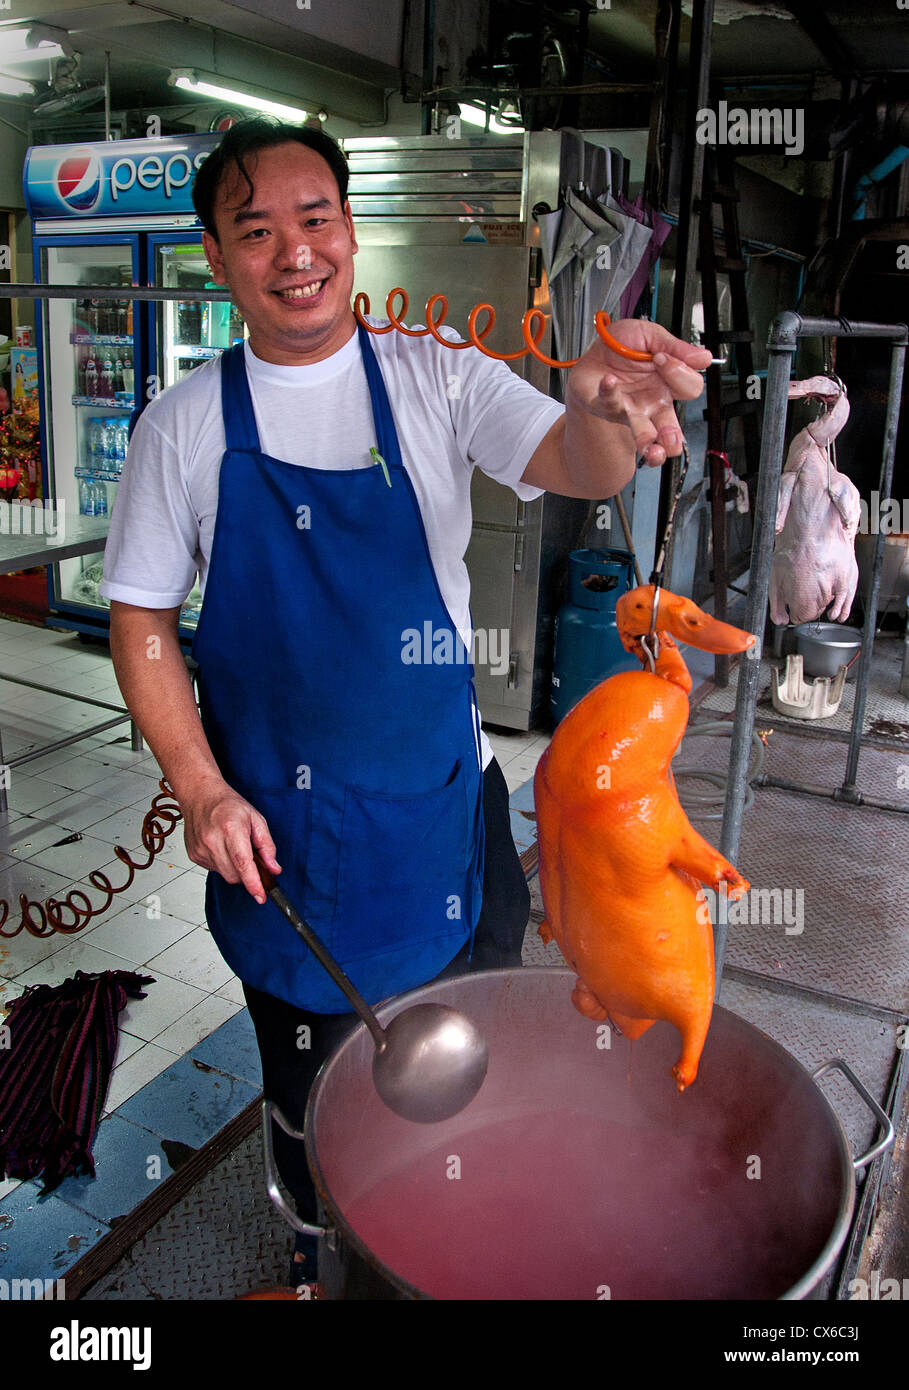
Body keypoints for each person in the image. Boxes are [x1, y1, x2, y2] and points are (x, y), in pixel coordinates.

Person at [100, 117, 711, 1289]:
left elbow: (581, 464)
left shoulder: (434, 375)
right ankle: (319, 1249)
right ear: (218, 259)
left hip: (445, 808)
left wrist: (601, 403)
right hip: (281, 842)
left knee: (462, 1065)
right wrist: (201, 784)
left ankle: (442, 1249)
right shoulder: (182, 427)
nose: (295, 252)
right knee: (315, 1094)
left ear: (350, 227)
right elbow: (138, 622)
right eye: (256, 228)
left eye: (316, 218)